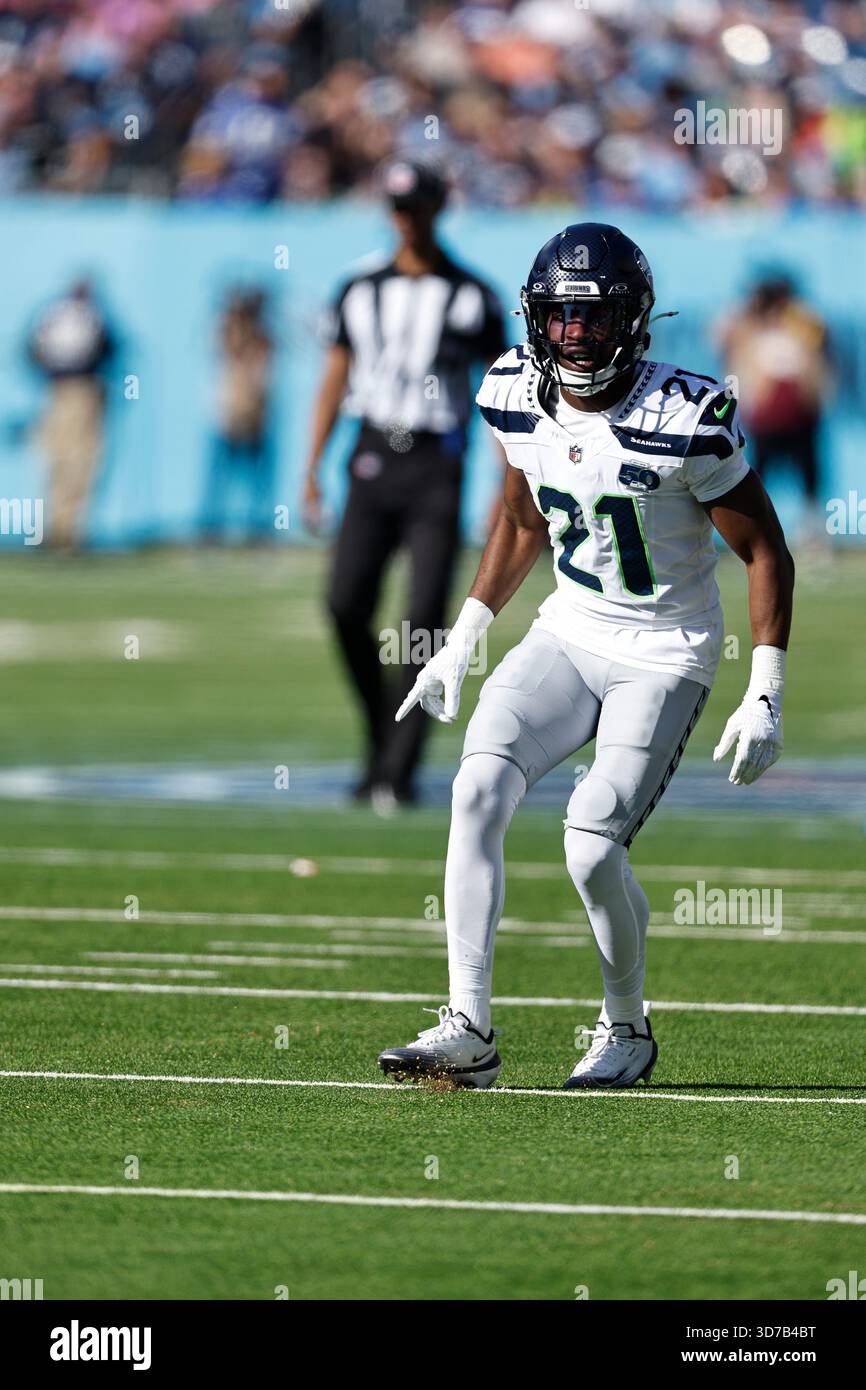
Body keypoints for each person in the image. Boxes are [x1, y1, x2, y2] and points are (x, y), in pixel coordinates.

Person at [377, 223, 794, 1089]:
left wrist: (765, 688)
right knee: (477, 787)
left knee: (591, 847)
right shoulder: (511, 389)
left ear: (634, 320)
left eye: (591, 317)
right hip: (571, 628)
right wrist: (461, 643)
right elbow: (523, 518)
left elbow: (765, 551)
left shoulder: (685, 416)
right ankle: (468, 1027)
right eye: (558, 316)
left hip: (665, 648)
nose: (572, 335)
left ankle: (627, 1027)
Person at [302, 158, 507, 812]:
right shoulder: (359, 288)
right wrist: (310, 466)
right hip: (370, 456)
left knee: (422, 622)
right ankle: (381, 730)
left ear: (437, 210)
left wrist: (507, 485)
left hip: (435, 463)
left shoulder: (472, 294)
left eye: (415, 208)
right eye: (396, 209)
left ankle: (396, 770)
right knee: (344, 606)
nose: (405, 221)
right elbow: (336, 373)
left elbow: (502, 393)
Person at [714, 273, 830, 536]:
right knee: (757, 480)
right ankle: (753, 532)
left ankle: (813, 534)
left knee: (809, 478)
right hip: (766, 419)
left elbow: (817, 363)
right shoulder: (749, 328)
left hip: (799, 416)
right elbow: (721, 334)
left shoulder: (803, 326)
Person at [27, 279, 115, 549]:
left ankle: (64, 530)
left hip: (60, 390)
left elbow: (32, 351)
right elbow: (108, 350)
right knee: (72, 460)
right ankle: (63, 531)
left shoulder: (53, 315)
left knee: (68, 461)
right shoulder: (85, 316)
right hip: (77, 390)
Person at [200, 288, 276, 543]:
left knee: (257, 478)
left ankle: (258, 528)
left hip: (256, 415)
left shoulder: (263, 336)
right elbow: (230, 348)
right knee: (221, 475)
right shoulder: (228, 329)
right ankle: (212, 527)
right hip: (230, 413)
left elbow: (266, 360)